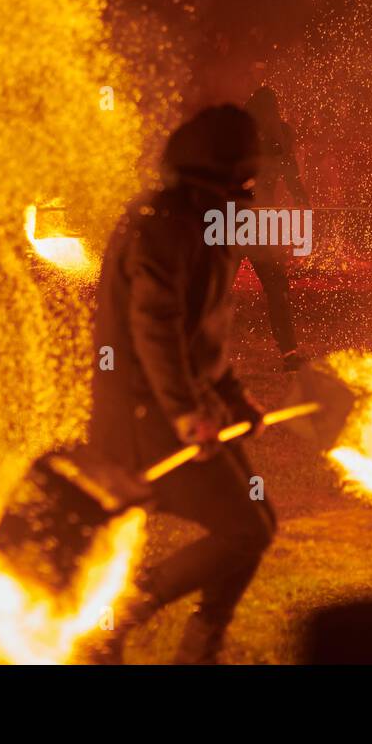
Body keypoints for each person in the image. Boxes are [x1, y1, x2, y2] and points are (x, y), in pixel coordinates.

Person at [85, 104, 276, 664]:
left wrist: (233, 394)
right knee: (244, 528)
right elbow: (156, 329)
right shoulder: (163, 224)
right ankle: (121, 615)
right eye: (243, 170)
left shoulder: (204, 221)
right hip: (145, 413)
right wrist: (187, 413)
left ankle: (202, 641)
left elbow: (205, 329)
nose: (251, 184)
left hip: (181, 403)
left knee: (257, 522)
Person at [242, 86, 309, 370]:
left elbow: (290, 173)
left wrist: (303, 203)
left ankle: (289, 353)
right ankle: (289, 353)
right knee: (274, 287)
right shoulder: (239, 135)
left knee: (276, 286)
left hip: (255, 222)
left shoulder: (277, 135)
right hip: (236, 220)